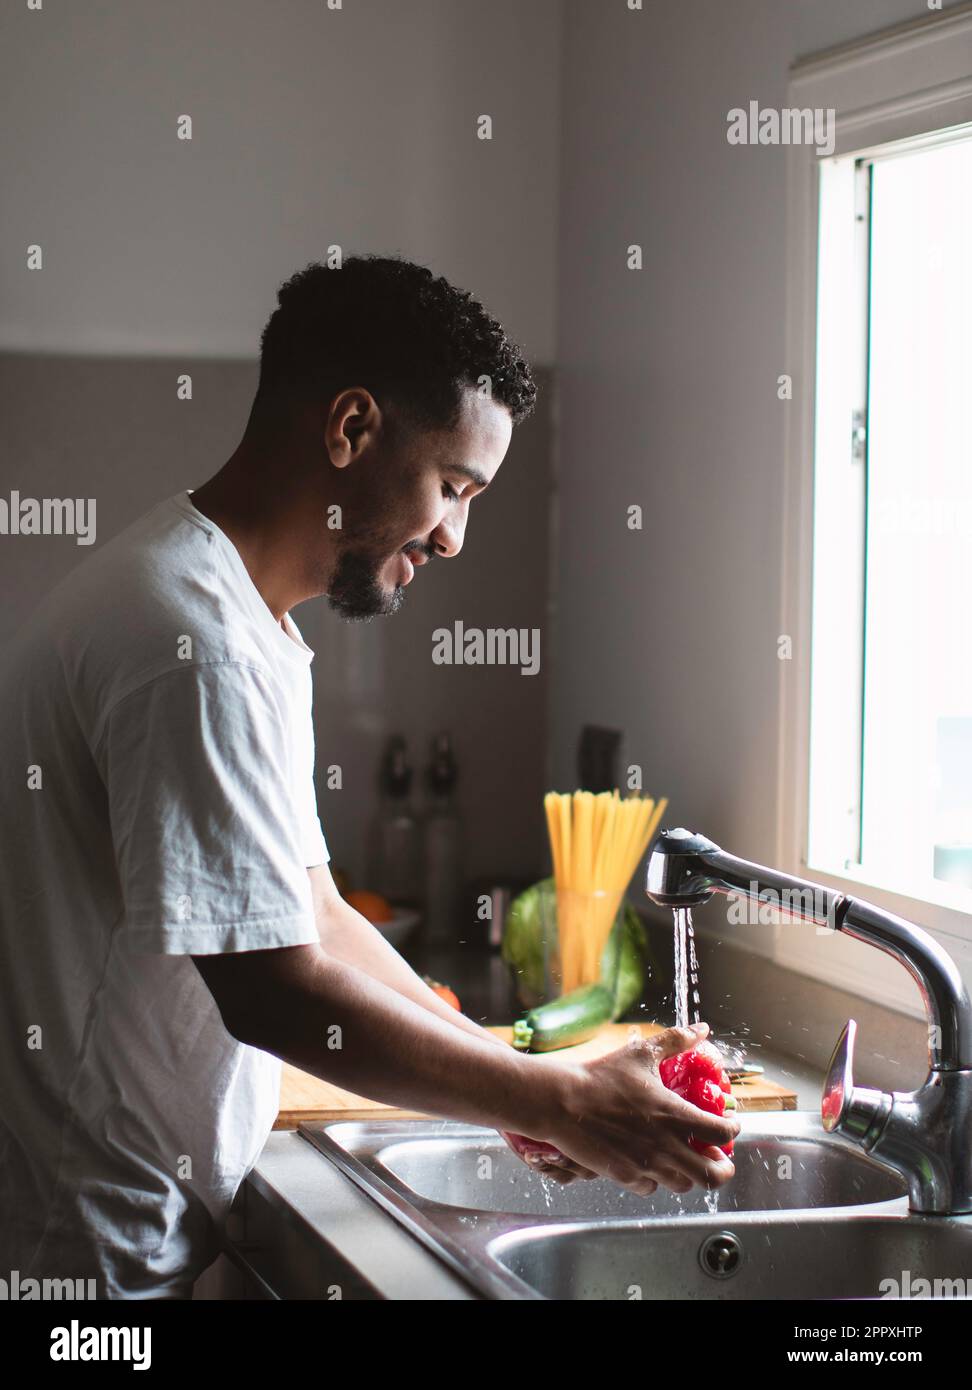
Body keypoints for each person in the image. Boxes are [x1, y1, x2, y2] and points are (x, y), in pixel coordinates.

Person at [0, 255, 737, 1299]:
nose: (453, 536)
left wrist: (523, 1081)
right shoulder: (193, 644)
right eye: (452, 486)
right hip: (84, 1266)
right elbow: (278, 994)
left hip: (114, 1235)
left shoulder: (231, 617)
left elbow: (318, 918)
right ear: (349, 428)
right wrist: (555, 1103)